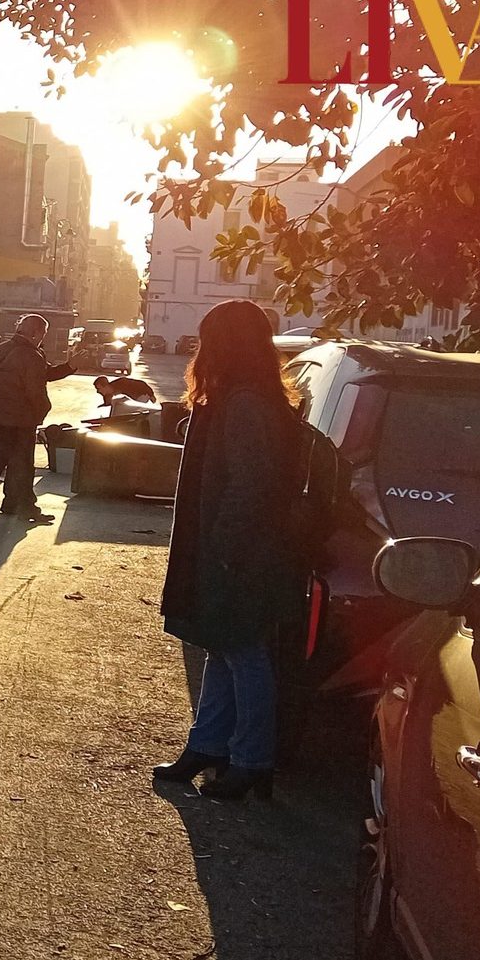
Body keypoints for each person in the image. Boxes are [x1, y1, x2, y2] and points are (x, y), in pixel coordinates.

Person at [154, 299, 305, 800]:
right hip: (237, 547)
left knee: (243, 650)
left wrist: (223, 546)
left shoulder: (244, 403)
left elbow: (250, 484)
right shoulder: (244, 397)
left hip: (240, 552)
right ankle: (209, 745)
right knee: (222, 645)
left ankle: (251, 760)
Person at [0, 314, 75, 524]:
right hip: (20, 419)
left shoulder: (2, 348)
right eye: (43, 334)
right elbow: (36, 390)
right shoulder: (30, 355)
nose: (43, 338)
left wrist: (70, 367)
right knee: (23, 464)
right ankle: (26, 507)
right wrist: (42, 411)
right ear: (36, 333)